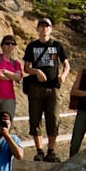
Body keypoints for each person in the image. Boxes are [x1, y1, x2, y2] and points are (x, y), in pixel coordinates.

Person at [23, 17, 69, 162]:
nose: (44, 29)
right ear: (37, 29)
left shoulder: (57, 45)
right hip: (36, 87)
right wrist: (36, 71)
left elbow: (66, 64)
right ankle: (39, 150)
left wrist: (63, 75)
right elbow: (26, 68)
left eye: (47, 26)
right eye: (41, 26)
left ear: (51, 29)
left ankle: (51, 150)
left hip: (53, 87)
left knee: (53, 118)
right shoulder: (32, 46)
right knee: (35, 118)